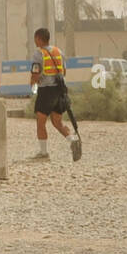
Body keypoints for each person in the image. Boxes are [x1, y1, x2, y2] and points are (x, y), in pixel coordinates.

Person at [30, 27, 81, 161]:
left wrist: (33, 84)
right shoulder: (59, 52)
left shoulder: (38, 53)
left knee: (40, 122)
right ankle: (73, 140)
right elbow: (64, 72)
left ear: (38, 38)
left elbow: (35, 72)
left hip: (46, 90)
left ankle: (43, 153)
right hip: (60, 90)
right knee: (57, 122)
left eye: (35, 38)